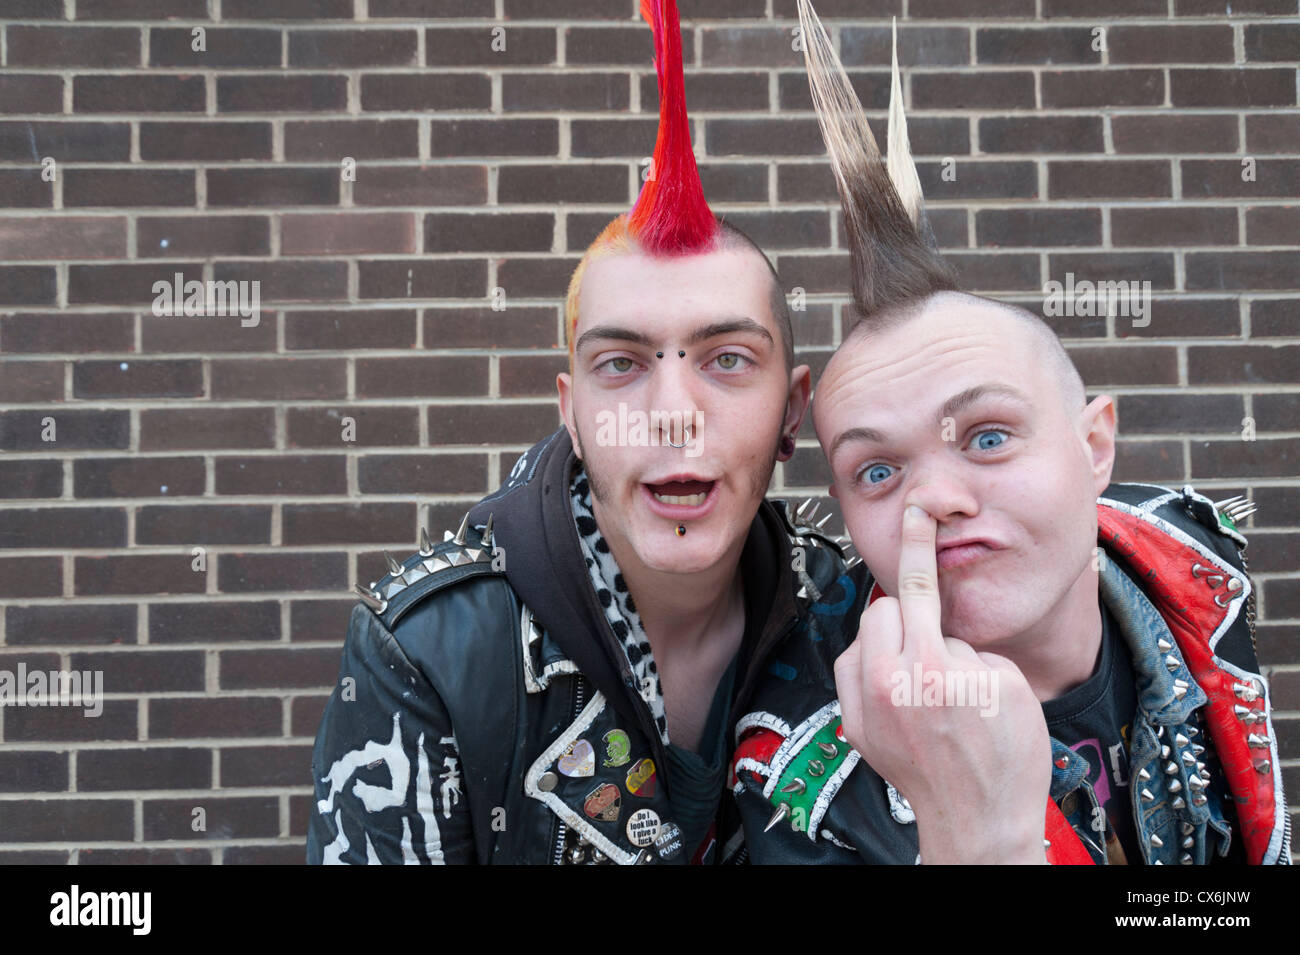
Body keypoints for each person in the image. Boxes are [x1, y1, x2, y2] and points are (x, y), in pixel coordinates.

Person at [728, 2, 1291, 865]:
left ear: (1095, 446)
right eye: (877, 472)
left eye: (988, 437)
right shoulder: (800, 778)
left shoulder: (1194, 556)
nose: (938, 499)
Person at [306, 0, 857, 865]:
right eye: (622, 365)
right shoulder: (427, 654)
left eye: (726, 360)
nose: (674, 410)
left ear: (794, 410)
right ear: (570, 409)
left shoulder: (854, 620)